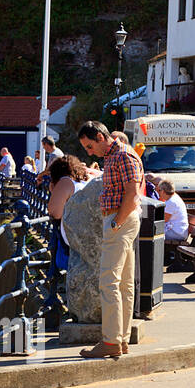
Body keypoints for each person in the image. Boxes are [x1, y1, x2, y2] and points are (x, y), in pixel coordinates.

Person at [77, 121, 143, 359]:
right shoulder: (117, 155)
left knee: (109, 281)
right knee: (124, 283)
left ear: (99, 136)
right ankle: (120, 340)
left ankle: (111, 341)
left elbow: (133, 194)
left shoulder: (123, 155)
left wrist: (116, 223)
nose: (89, 151)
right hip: (122, 219)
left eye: (90, 145)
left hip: (120, 219)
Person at [46, 154, 91, 274]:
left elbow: (55, 212)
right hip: (89, 239)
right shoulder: (84, 182)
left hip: (74, 242)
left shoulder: (65, 182)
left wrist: (53, 190)